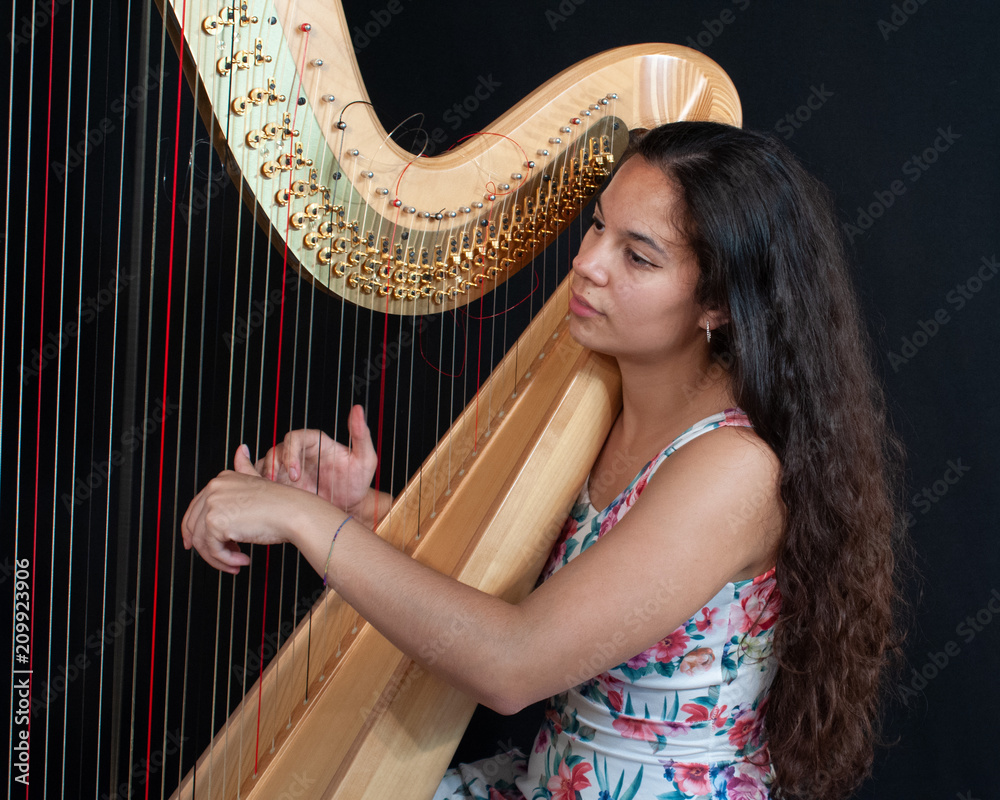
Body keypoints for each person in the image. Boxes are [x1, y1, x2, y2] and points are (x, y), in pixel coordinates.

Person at [182, 121, 905, 800]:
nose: (587, 265)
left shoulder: (733, 469)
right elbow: (530, 577)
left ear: (717, 302)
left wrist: (306, 521)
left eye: (637, 255)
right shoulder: (605, 405)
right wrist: (360, 511)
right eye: (597, 226)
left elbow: (512, 663)